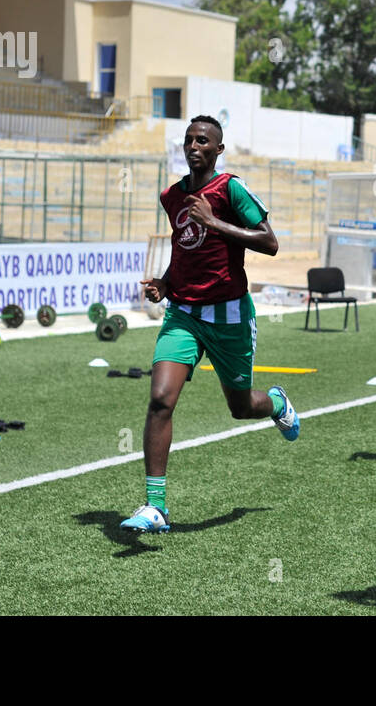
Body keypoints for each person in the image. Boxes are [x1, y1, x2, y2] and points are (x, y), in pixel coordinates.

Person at [121, 115, 298, 533]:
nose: (194, 146)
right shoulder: (172, 196)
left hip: (229, 314)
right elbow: (185, 250)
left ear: (218, 149)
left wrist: (215, 222)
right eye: (189, 140)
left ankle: (275, 403)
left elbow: (270, 243)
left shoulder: (229, 188)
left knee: (240, 407)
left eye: (203, 140)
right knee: (161, 398)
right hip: (183, 313)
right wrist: (166, 281)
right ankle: (156, 506)